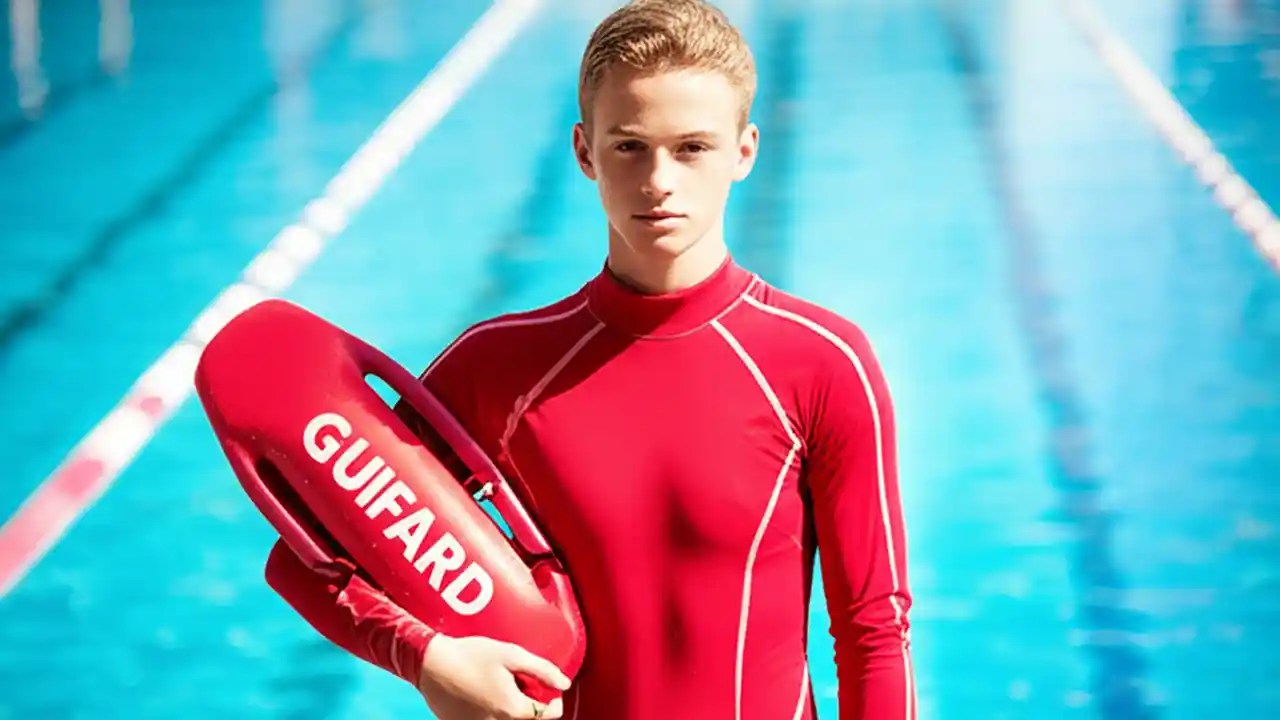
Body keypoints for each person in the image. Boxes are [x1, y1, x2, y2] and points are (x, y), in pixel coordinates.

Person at [263, 1, 916, 718]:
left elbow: (873, 632)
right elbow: (309, 557)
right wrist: (428, 660)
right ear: (584, 152)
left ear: (744, 151)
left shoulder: (820, 363)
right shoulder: (499, 369)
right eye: (630, 146)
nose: (659, 179)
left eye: (692, 147)